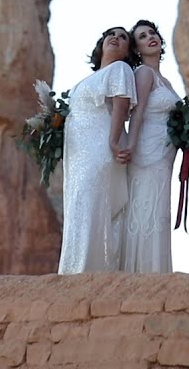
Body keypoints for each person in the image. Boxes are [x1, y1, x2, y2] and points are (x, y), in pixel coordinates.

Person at [57, 26, 137, 274]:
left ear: (128, 51)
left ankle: (91, 272)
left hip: (100, 149)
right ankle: (74, 270)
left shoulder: (120, 69)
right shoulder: (87, 80)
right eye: (111, 34)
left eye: (123, 37)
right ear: (101, 43)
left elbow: (120, 105)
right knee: (79, 205)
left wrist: (113, 142)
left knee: (92, 205)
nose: (116, 38)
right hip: (78, 155)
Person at [121, 19, 180, 272]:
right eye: (143, 37)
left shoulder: (165, 81)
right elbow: (138, 111)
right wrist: (131, 145)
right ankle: (143, 272)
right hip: (147, 150)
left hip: (165, 152)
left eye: (152, 33)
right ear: (137, 49)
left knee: (160, 209)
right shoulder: (143, 73)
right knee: (147, 208)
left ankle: (158, 271)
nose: (150, 38)